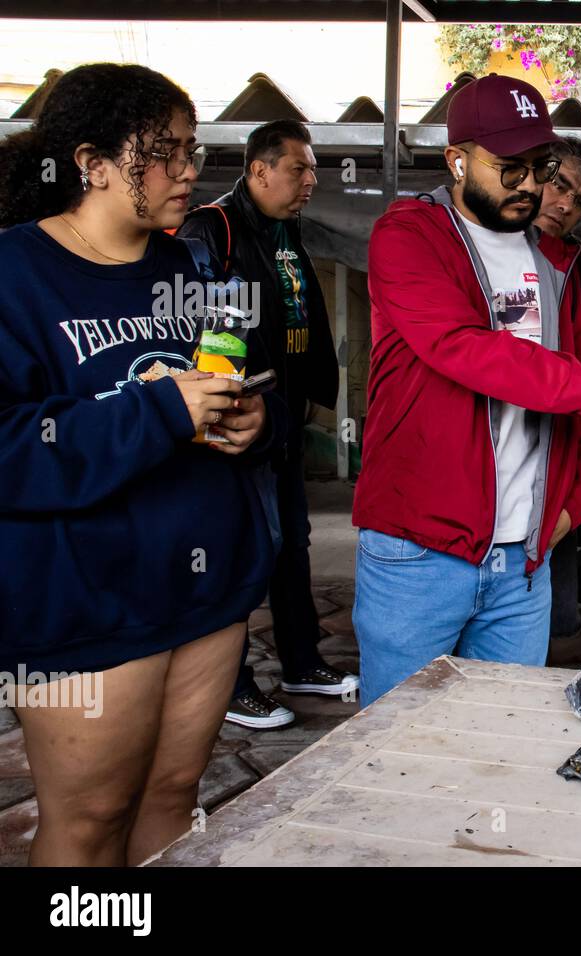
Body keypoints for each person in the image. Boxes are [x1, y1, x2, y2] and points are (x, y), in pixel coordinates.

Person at [0, 63, 283, 865]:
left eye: (193, 149)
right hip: (85, 601)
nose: (190, 170)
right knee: (91, 821)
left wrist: (249, 423)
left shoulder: (188, 266)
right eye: (165, 152)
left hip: (204, 588)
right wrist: (158, 412)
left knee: (172, 798)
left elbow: (226, 388)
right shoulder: (13, 274)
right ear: (91, 162)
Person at [354, 75, 581, 706]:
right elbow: (465, 349)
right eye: (510, 169)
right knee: (395, 754)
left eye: (541, 167)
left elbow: (570, 389)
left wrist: (576, 501)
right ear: (457, 160)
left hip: (524, 562)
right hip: (420, 554)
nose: (531, 186)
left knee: (501, 747)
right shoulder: (408, 237)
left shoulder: (558, 258)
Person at [178, 121, 356, 731]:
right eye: (300, 169)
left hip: (277, 421)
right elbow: (205, 332)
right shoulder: (212, 228)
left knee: (291, 546)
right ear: (259, 170)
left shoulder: (285, 230)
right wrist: (232, 408)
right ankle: (230, 684)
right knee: (237, 554)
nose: (312, 180)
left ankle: (302, 663)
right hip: (234, 423)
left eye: (313, 169)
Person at [533, 136, 581, 645]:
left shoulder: (572, 263)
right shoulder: (490, 252)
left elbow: (579, 367)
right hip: (495, 467)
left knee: (551, 624)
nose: (565, 205)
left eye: (579, 201)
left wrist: (577, 493)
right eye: (559, 186)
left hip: (556, 450)